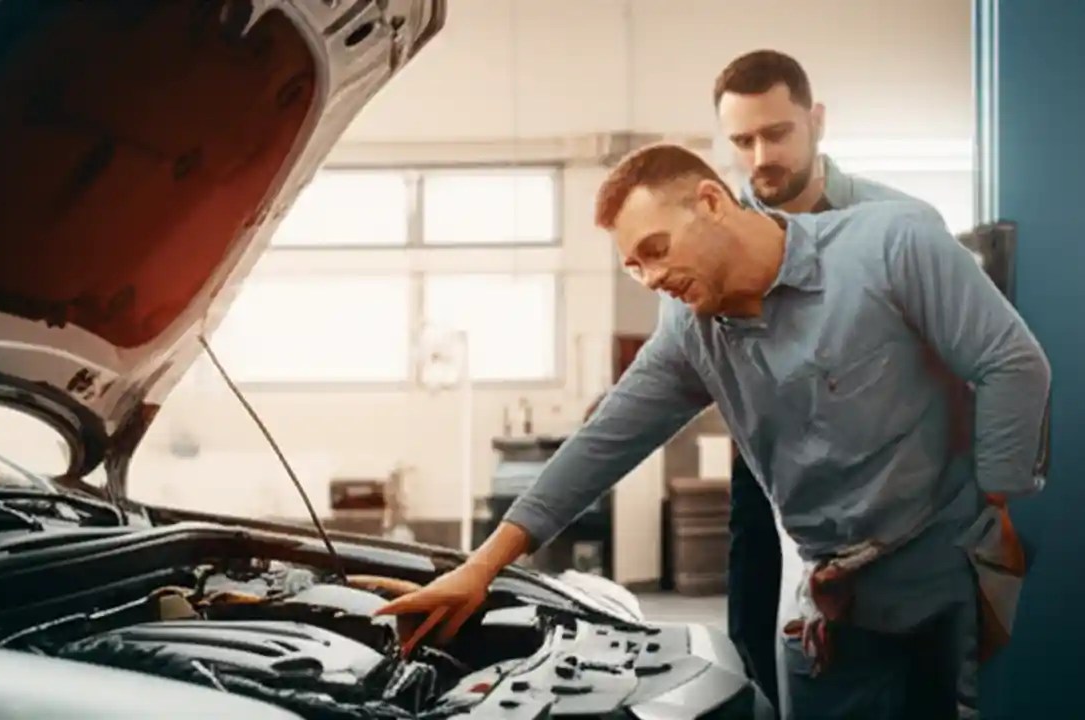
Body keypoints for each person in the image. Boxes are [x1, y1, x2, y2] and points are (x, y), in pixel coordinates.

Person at [375, 142, 1050, 719]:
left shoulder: (891, 246)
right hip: (831, 601)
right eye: (634, 266)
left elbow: (1011, 362)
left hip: (944, 575)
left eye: (656, 249)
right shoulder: (689, 337)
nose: (652, 278)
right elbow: (600, 444)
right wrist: (478, 568)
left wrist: (996, 501)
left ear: (710, 201)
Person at [710, 48, 953, 712]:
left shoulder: (901, 225)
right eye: (742, 140)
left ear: (816, 121)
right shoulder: (717, 239)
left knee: (920, 650)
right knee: (758, 623)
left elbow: (964, 369)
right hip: (770, 460)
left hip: (891, 472)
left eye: (777, 132)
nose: (760, 155)